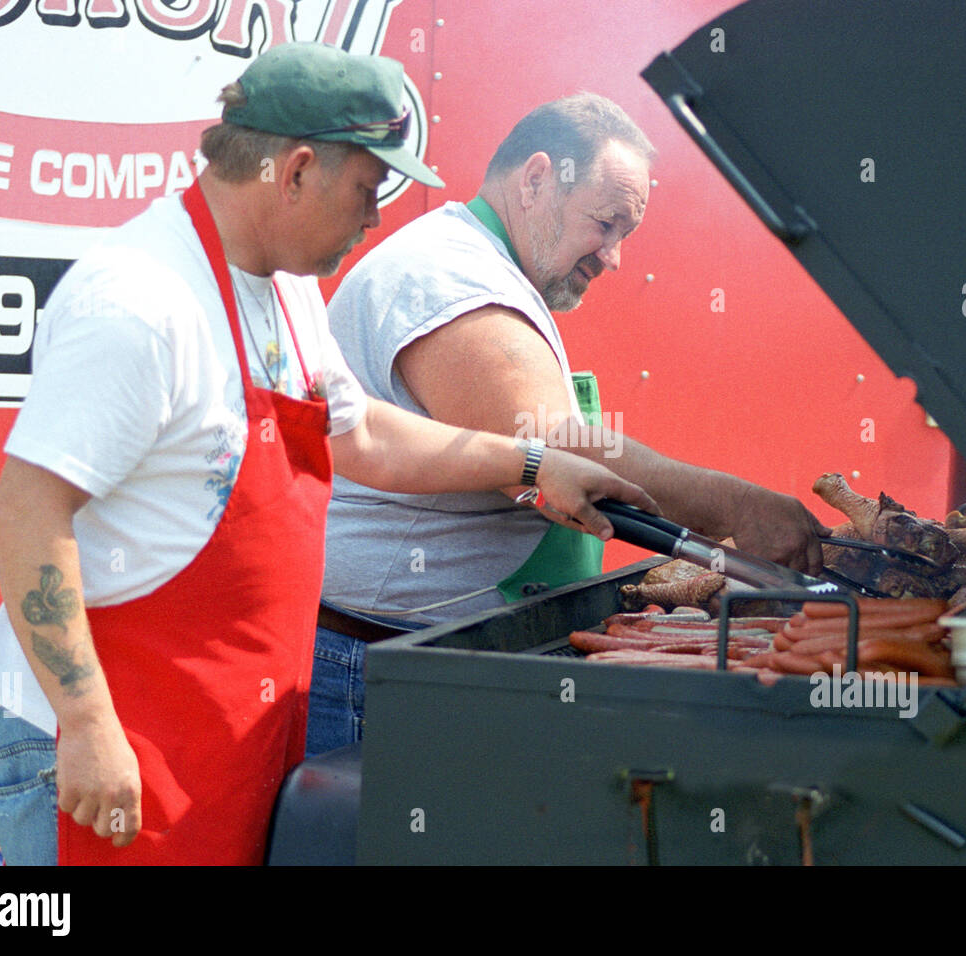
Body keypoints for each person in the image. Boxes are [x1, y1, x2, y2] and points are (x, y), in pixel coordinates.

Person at [0, 46, 654, 866]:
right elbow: (26, 512)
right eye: (368, 190)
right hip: (113, 735)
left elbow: (363, 437)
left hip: (221, 728)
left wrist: (534, 464)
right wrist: (84, 730)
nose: (373, 219)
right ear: (294, 170)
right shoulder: (140, 301)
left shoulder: (285, 289)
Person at [311, 93, 830, 754]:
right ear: (535, 180)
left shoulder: (487, 269)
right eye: (606, 224)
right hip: (389, 674)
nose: (612, 257)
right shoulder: (445, 278)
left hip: (453, 662)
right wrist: (739, 506)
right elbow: (556, 444)